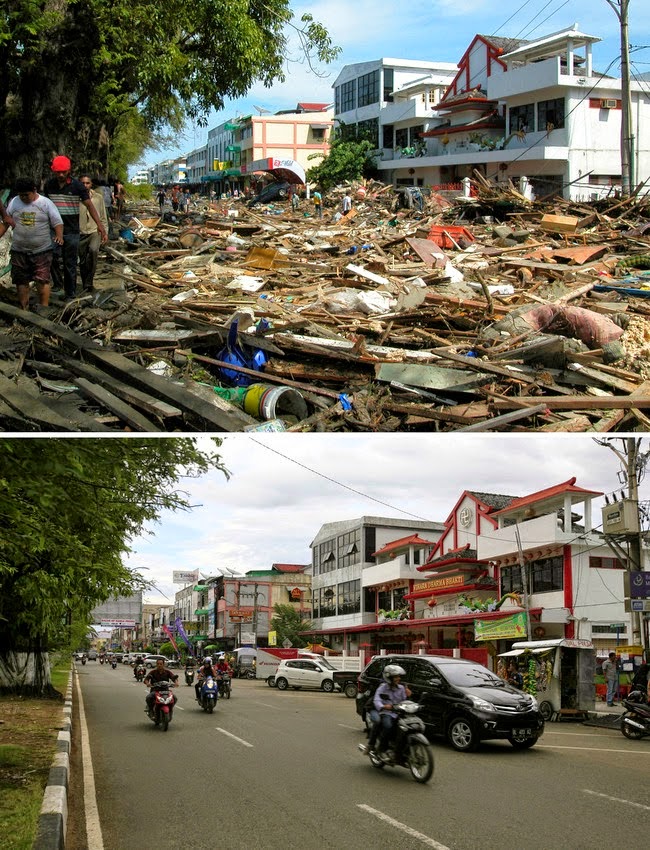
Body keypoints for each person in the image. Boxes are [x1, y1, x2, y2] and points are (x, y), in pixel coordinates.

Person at [43, 155, 108, 301]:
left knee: (70, 263)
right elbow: (45, 207)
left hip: (72, 230)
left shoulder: (77, 187)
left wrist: (100, 226)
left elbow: (89, 206)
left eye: (63, 172)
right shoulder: (49, 186)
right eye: (58, 172)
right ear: (53, 171)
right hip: (53, 229)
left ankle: (70, 294)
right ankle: (58, 284)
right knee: (51, 256)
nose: (60, 175)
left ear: (68, 171)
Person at [0, 178, 63, 312]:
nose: (23, 198)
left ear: (34, 191)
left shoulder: (45, 203)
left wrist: (59, 235)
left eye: (26, 195)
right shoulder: (14, 202)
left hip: (41, 250)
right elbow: (7, 222)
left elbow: (57, 222)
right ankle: (24, 308)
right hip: (19, 249)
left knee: (42, 280)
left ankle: (44, 308)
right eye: (21, 195)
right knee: (21, 280)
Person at [367, 664, 411, 757]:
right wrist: (383, 706)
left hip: (398, 713)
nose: (398, 678)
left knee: (407, 726)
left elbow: (404, 701)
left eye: (399, 676)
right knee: (388, 726)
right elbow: (377, 700)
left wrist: (408, 695)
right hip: (386, 713)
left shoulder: (402, 688)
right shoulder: (382, 688)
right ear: (389, 678)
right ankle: (382, 747)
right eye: (395, 677)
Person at [78, 175, 109, 293]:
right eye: (83, 183)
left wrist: (105, 231)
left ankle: (89, 283)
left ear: (91, 184)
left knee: (93, 251)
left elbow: (103, 216)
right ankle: (85, 281)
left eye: (87, 183)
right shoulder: (75, 198)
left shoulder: (98, 198)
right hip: (80, 231)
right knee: (82, 259)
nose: (85, 186)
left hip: (94, 231)